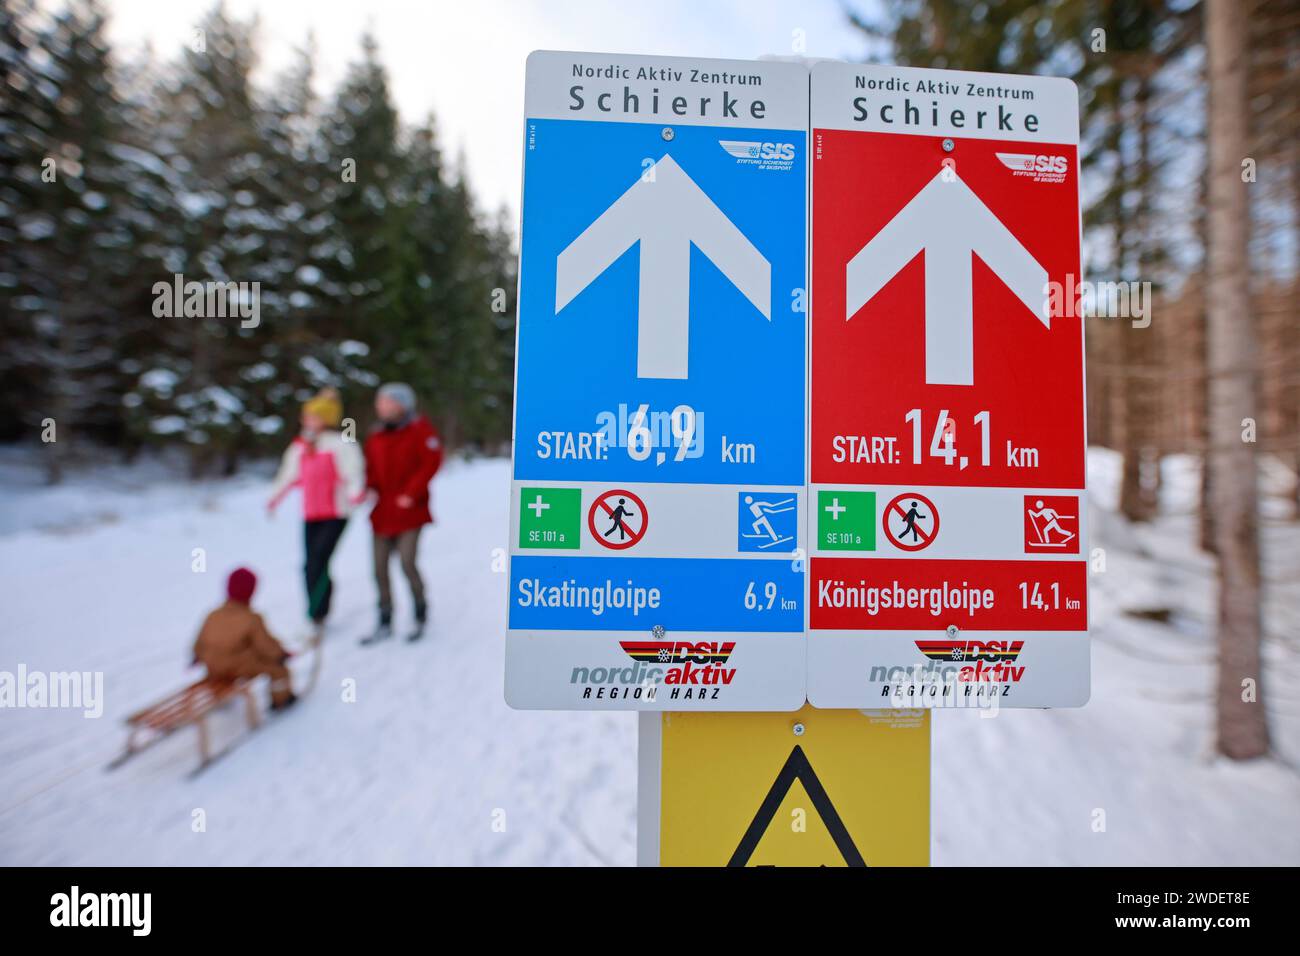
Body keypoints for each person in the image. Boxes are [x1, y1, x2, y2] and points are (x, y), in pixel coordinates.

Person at [268, 388, 365, 635]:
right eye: (306, 416)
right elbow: (288, 474)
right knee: (309, 564)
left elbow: (353, 472)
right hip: (311, 513)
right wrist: (274, 499)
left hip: (337, 513)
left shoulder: (341, 443)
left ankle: (317, 613)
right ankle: (316, 611)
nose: (306, 421)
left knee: (319, 561)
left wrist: (356, 494)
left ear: (326, 419)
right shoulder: (301, 446)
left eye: (312, 416)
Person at [361, 382, 443, 643]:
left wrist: (412, 492)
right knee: (379, 568)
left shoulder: (420, 430)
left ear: (401, 405)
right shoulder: (376, 436)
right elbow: (370, 469)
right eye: (379, 402)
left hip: (410, 513)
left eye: (385, 401)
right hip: (382, 513)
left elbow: (431, 462)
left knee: (407, 562)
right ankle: (385, 617)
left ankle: (420, 610)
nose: (380, 406)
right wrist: (368, 487)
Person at [193, 568, 296, 711]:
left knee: (225, 658)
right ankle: (282, 700)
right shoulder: (252, 618)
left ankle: (219, 698)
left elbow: (200, 642)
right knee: (278, 670)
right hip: (237, 668)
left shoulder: (212, 615)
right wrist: (280, 654)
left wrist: (197, 656)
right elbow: (265, 646)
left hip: (213, 667)